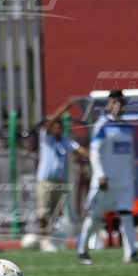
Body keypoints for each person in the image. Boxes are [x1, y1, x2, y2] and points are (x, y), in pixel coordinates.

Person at [77, 90, 138, 264]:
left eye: (121, 103)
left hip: (124, 182)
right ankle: (82, 251)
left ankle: (131, 253)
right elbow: (94, 153)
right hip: (105, 182)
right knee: (95, 216)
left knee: (126, 215)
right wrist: (101, 175)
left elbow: (130, 154)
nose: (118, 107)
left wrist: (133, 175)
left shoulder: (127, 127)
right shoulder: (102, 125)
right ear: (109, 105)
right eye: (114, 103)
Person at [35, 105, 88, 251]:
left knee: (57, 213)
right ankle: (45, 240)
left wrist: (95, 158)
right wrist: (64, 108)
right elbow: (51, 121)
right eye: (55, 127)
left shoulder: (65, 141)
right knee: (43, 211)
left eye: (60, 128)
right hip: (45, 181)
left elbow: (80, 150)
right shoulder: (47, 139)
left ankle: (55, 240)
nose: (57, 130)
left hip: (59, 181)